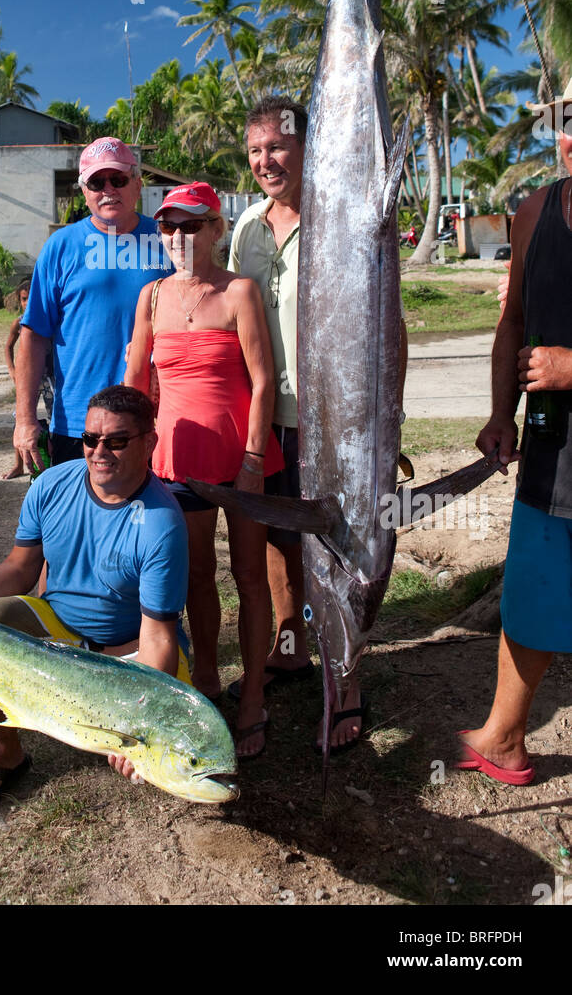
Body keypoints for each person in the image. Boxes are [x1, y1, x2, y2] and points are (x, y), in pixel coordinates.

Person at [0, 387, 190, 818]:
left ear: (149, 442)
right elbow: (20, 568)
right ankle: (7, 751)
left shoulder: (162, 524)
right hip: (58, 627)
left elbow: (158, 641)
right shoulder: (53, 484)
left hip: (127, 651)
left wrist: (140, 730)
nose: (99, 451)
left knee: (178, 769)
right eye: (90, 439)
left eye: (116, 441)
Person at [228, 95, 405, 754]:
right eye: (255, 151)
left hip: (337, 419)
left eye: (278, 146)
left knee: (345, 551)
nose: (266, 160)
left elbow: (391, 325)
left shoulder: (345, 217)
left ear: (306, 148)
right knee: (281, 539)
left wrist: (387, 416)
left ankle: (349, 682)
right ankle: (292, 642)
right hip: (269, 417)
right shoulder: (245, 228)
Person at [124, 182, 282, 759]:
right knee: (193, 578)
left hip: (240, 459)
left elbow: (263, 381)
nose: (179, 237)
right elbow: (136, 381)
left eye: (192, 225)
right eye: (168, 226)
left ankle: (254, 700)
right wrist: (129, 449)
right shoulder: (151, 297)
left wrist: (254, 459)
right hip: (174, 461)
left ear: (217, 229)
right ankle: (209, 681)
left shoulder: (241, 292)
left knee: (249, 578)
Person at [464, 95, 572, 785]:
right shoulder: (535, 211)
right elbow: (512, 323)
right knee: (533, 591)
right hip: (551, 445)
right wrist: (502, 414)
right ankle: (504, 735)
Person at [13, 138, 171, 473]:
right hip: (78, 421)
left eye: (118, 179)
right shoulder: (61, 246)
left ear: (137, 183)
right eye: (96, 182)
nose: (108, 190)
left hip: (155, 417)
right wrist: (25, 419)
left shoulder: (168, 240)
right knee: (81, 521)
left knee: (151, 517)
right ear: (84, 192)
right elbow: (34, 336)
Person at [3, 275, 54, 480]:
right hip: (28, 379)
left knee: (54, 418)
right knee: (22, 419)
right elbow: (8, 346)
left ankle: (53, 461)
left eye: (30, 297)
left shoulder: (50, 319)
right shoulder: (19, 323)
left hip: (50, 378)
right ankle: (18, 465)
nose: (27, 302)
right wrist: (12, 370)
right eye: (23, 299)